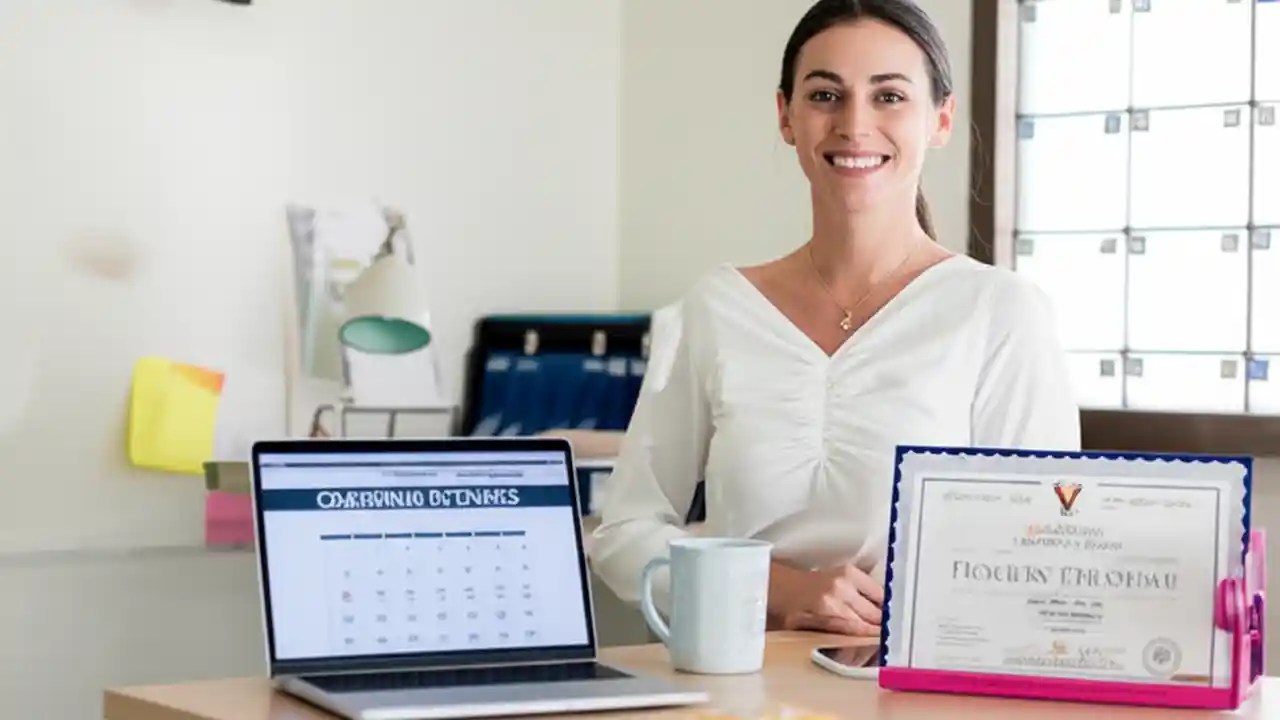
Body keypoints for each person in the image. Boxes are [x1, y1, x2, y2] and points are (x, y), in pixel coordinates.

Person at [588, 0, 1081, 638]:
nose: (854, 124)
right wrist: (771, 586)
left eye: (889, 97)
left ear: (941, 119)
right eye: (826, 94)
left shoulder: (1001, 313)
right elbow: (624, 532)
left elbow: (1046, 545)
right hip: (743, 691)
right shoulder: (718, 308)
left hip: (923, 692)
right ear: (785, 116)